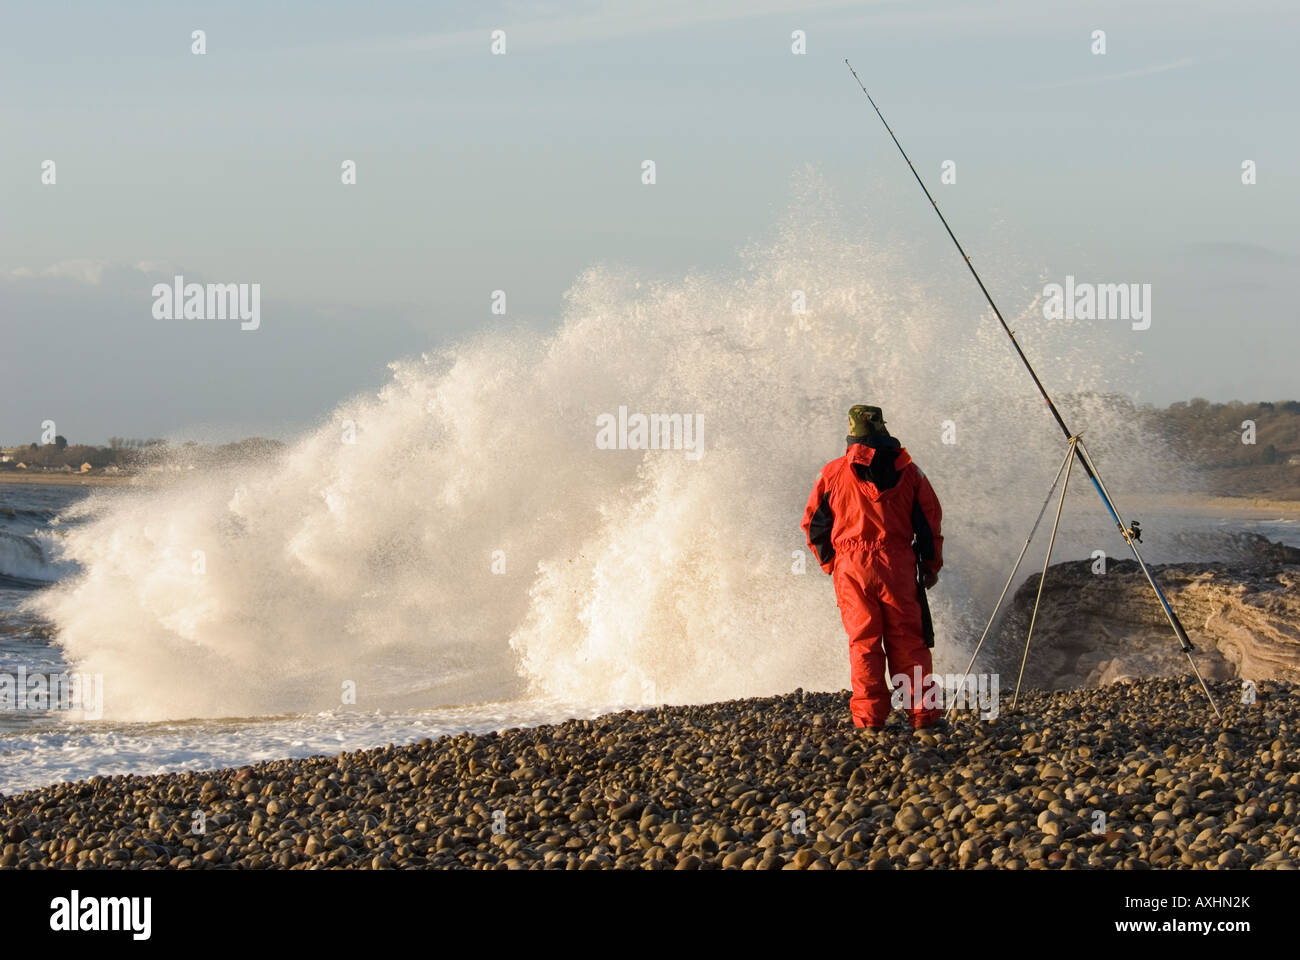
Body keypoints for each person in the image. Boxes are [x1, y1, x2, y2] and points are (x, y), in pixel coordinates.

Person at [801, 405, 944, 731]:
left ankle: (868, 722)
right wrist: (930, 566)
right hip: (897, 566)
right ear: (884, 431)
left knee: (864, 643)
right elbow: (929, 523)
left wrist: (831, 563)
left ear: (851, 434)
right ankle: (924, 717)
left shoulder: (832, 473)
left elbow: (813, 525)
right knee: (909, 641)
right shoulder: (910, 473)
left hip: (851, 569)